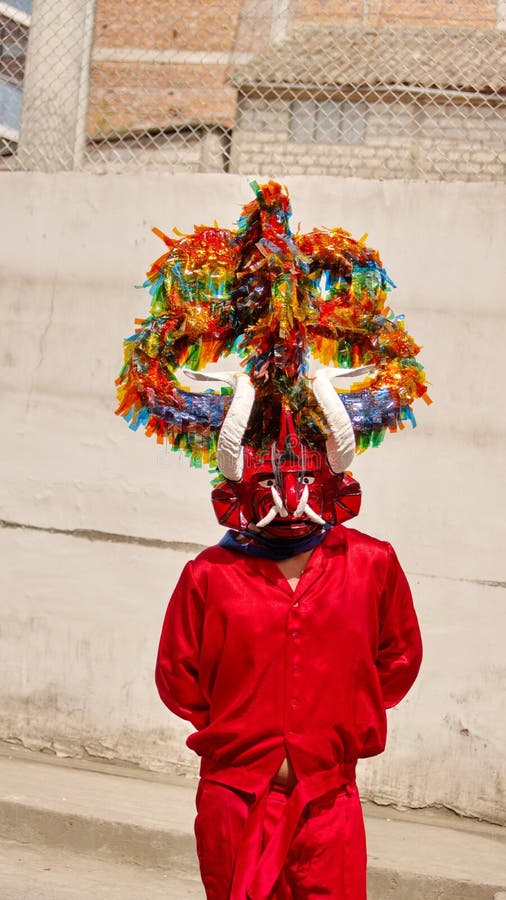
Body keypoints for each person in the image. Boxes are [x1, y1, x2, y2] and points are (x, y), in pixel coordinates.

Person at [116, 181, 428, 898]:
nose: (288, 483)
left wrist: (334, 728)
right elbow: (180, 680)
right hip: (234, 797)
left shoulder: (372, 566)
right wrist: (245, 736)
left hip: (331, 801)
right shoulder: (209, 576)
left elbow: (397, 662)